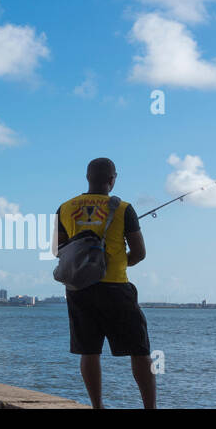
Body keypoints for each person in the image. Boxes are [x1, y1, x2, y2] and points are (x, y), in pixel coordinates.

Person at [55, 157, 156, 408]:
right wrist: (119, 262)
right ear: (112, 180)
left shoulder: (65, 208)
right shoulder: (123, 208)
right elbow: (140, 252)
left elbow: (59, 251)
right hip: (116, 287)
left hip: (79, 289)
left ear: (87, 178)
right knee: (140, 350)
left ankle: (97, 406)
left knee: (89, 350)